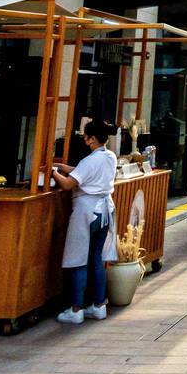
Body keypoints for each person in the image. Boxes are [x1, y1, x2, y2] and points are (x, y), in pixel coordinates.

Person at [51, 119, 118, 325]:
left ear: (92, 139)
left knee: (78, 259)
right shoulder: (110, 156)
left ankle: (76, 309)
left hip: (87, 211)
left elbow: (68, 185)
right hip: (105, 211)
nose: (85, 140)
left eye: (86, 137)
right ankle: (99, 306)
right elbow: (85, 171)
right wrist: (65, 166)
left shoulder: (90, 161)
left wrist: (54, 172)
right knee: (96, 259)